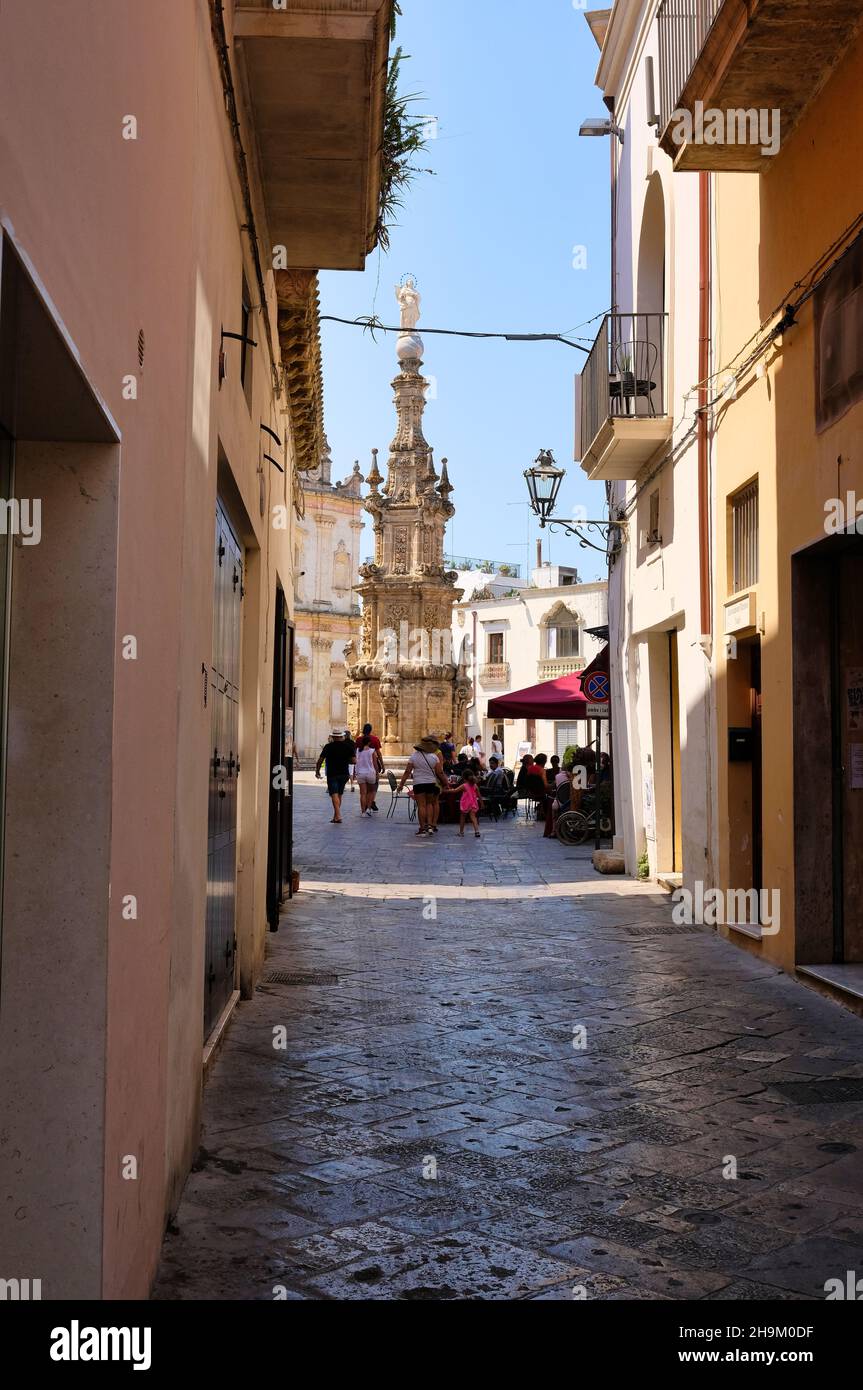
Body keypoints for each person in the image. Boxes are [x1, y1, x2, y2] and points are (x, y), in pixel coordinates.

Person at [398, 736, 447, 836]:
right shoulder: (434, 757)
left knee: (421, 806)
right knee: (429, 804)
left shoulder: (414, 757)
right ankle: (430, 826)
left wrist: (401, 784)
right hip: (431, 783)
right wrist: (446, 783)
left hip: (418, 783)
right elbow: (440, 772)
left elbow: (407, 772)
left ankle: (422, 828)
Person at [315, 729, 356, 824]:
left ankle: (338, 815)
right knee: (339, 794)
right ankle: (336, 816)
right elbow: (354, 761)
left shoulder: (328, 747)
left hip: (332, 773)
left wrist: (317, 771)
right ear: (341, 737)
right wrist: (345, 761)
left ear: (333, 737)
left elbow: (320, 760)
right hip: (344, 773)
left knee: (334, 794)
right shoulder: (347, 747)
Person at [356, 722, 384, 811]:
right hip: (371, 768)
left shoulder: (358, 739)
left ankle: (363, 810)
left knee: (363, 793)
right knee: (373, 788)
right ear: (370, 730)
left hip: (361, 769)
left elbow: (356, 754)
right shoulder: (375, 739)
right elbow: (378, 754)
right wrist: (382, 766)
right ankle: (371, 802)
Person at [458, 770, 481, 838]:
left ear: (464, 778)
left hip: (465, 804)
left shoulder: (464, 786)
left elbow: (455, 790)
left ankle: (461, 832)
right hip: (473, 803)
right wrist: (482, 804)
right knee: (473, 817)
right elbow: (479, 795)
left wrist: (446, 791)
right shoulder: (475, 785)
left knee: (462, 817)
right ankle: (477, 831)